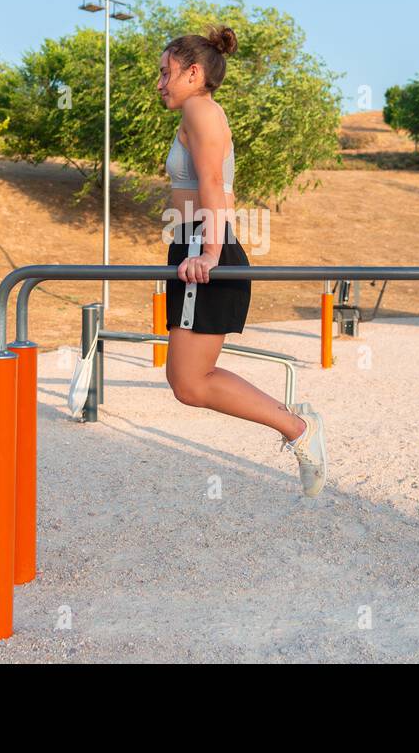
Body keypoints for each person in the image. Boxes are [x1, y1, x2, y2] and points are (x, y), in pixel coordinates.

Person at [158, 24, 327, 497]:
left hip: (202, 246)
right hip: (193, 242)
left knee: (190, 383)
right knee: (187, 381)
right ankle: (297, 427)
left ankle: (298, 428)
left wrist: (209, 251)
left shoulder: (198, 108)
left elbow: (212, 184)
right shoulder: (200, 111)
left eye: (166, 72)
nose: (160, 83)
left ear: (193, 73)